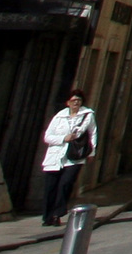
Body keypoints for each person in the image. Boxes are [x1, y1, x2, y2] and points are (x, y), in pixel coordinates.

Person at [37, 88, 99, 225]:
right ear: (68, 102)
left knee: (65, 183)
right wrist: (63, 138)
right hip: (55, 156)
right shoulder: (59, 116)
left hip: (75, 156)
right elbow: (47, 137)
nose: (76, 102)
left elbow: (93, 133)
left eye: (79, 100)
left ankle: (57, 213)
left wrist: (92, 152)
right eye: (73, 100)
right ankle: (48, 217)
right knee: (50, 187)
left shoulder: (87, 115)